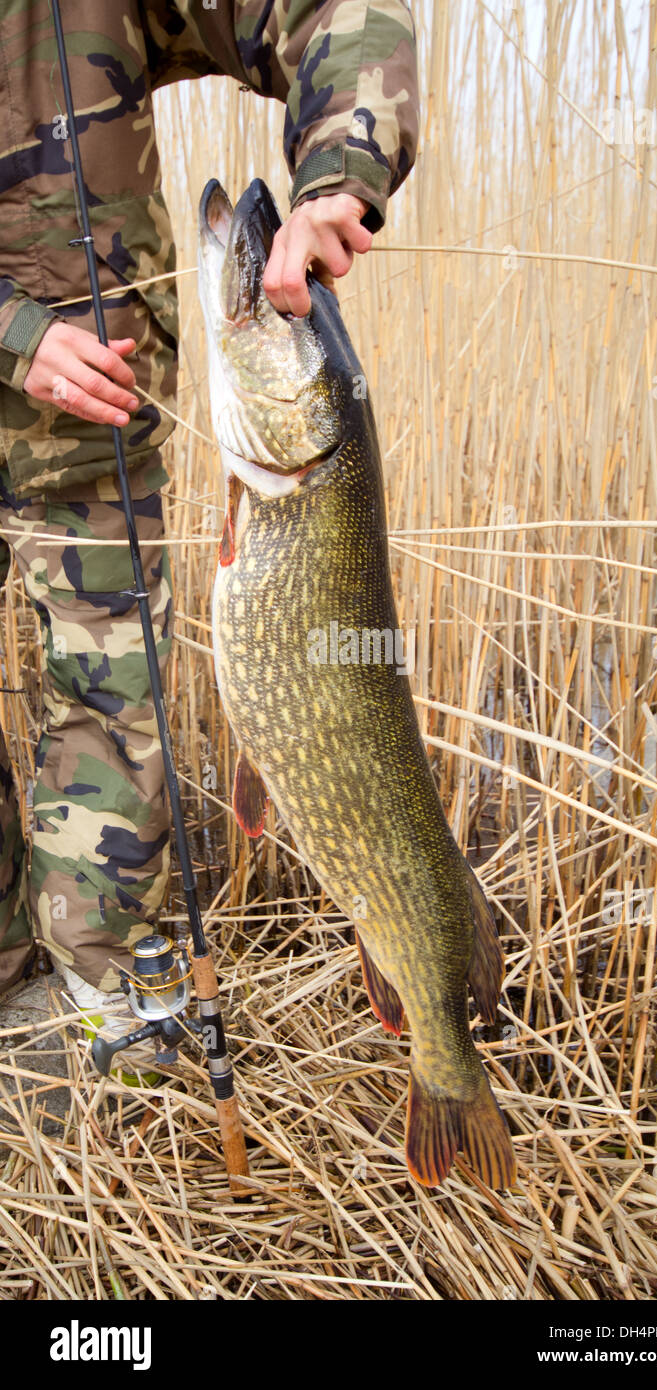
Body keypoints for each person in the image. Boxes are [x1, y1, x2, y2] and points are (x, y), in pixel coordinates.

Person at [0, 0, 419, 1022]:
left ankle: (104, 1023)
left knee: (108, 719)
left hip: (92, 422)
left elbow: (330, 11)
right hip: (43, 352)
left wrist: (341, 173)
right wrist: (11, 330)